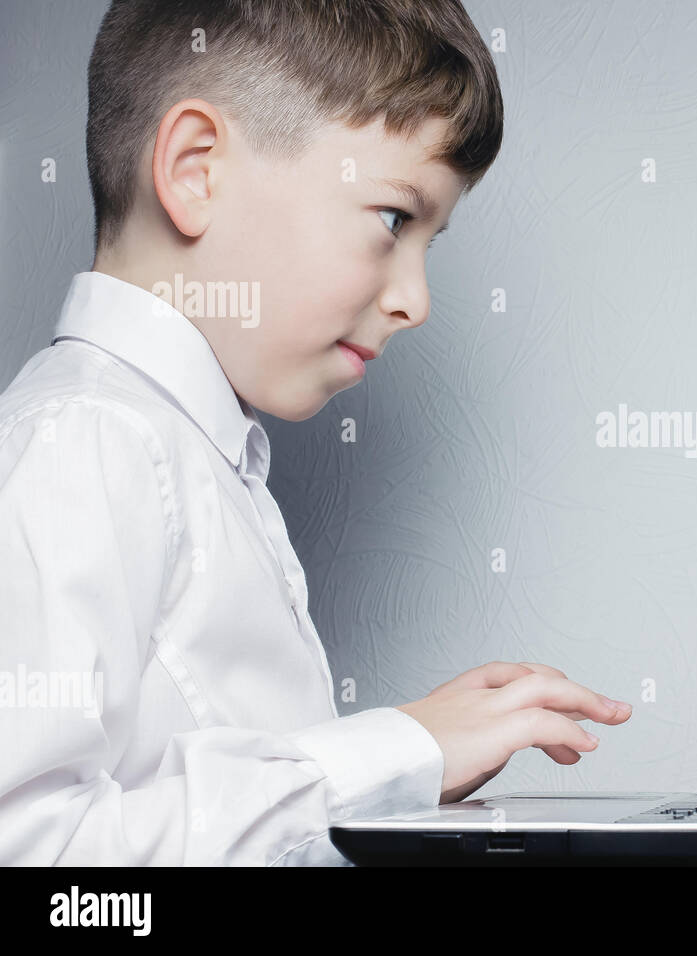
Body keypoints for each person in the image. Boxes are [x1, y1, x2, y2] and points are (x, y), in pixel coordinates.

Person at [0, 0, 631, 866]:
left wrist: (404, 767)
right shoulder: (84, 442)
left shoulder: (193, 455)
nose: (416, 299)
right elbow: (34, 857)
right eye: (392, 221)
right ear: (196, 171)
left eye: (429, 242)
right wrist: (396, 749)